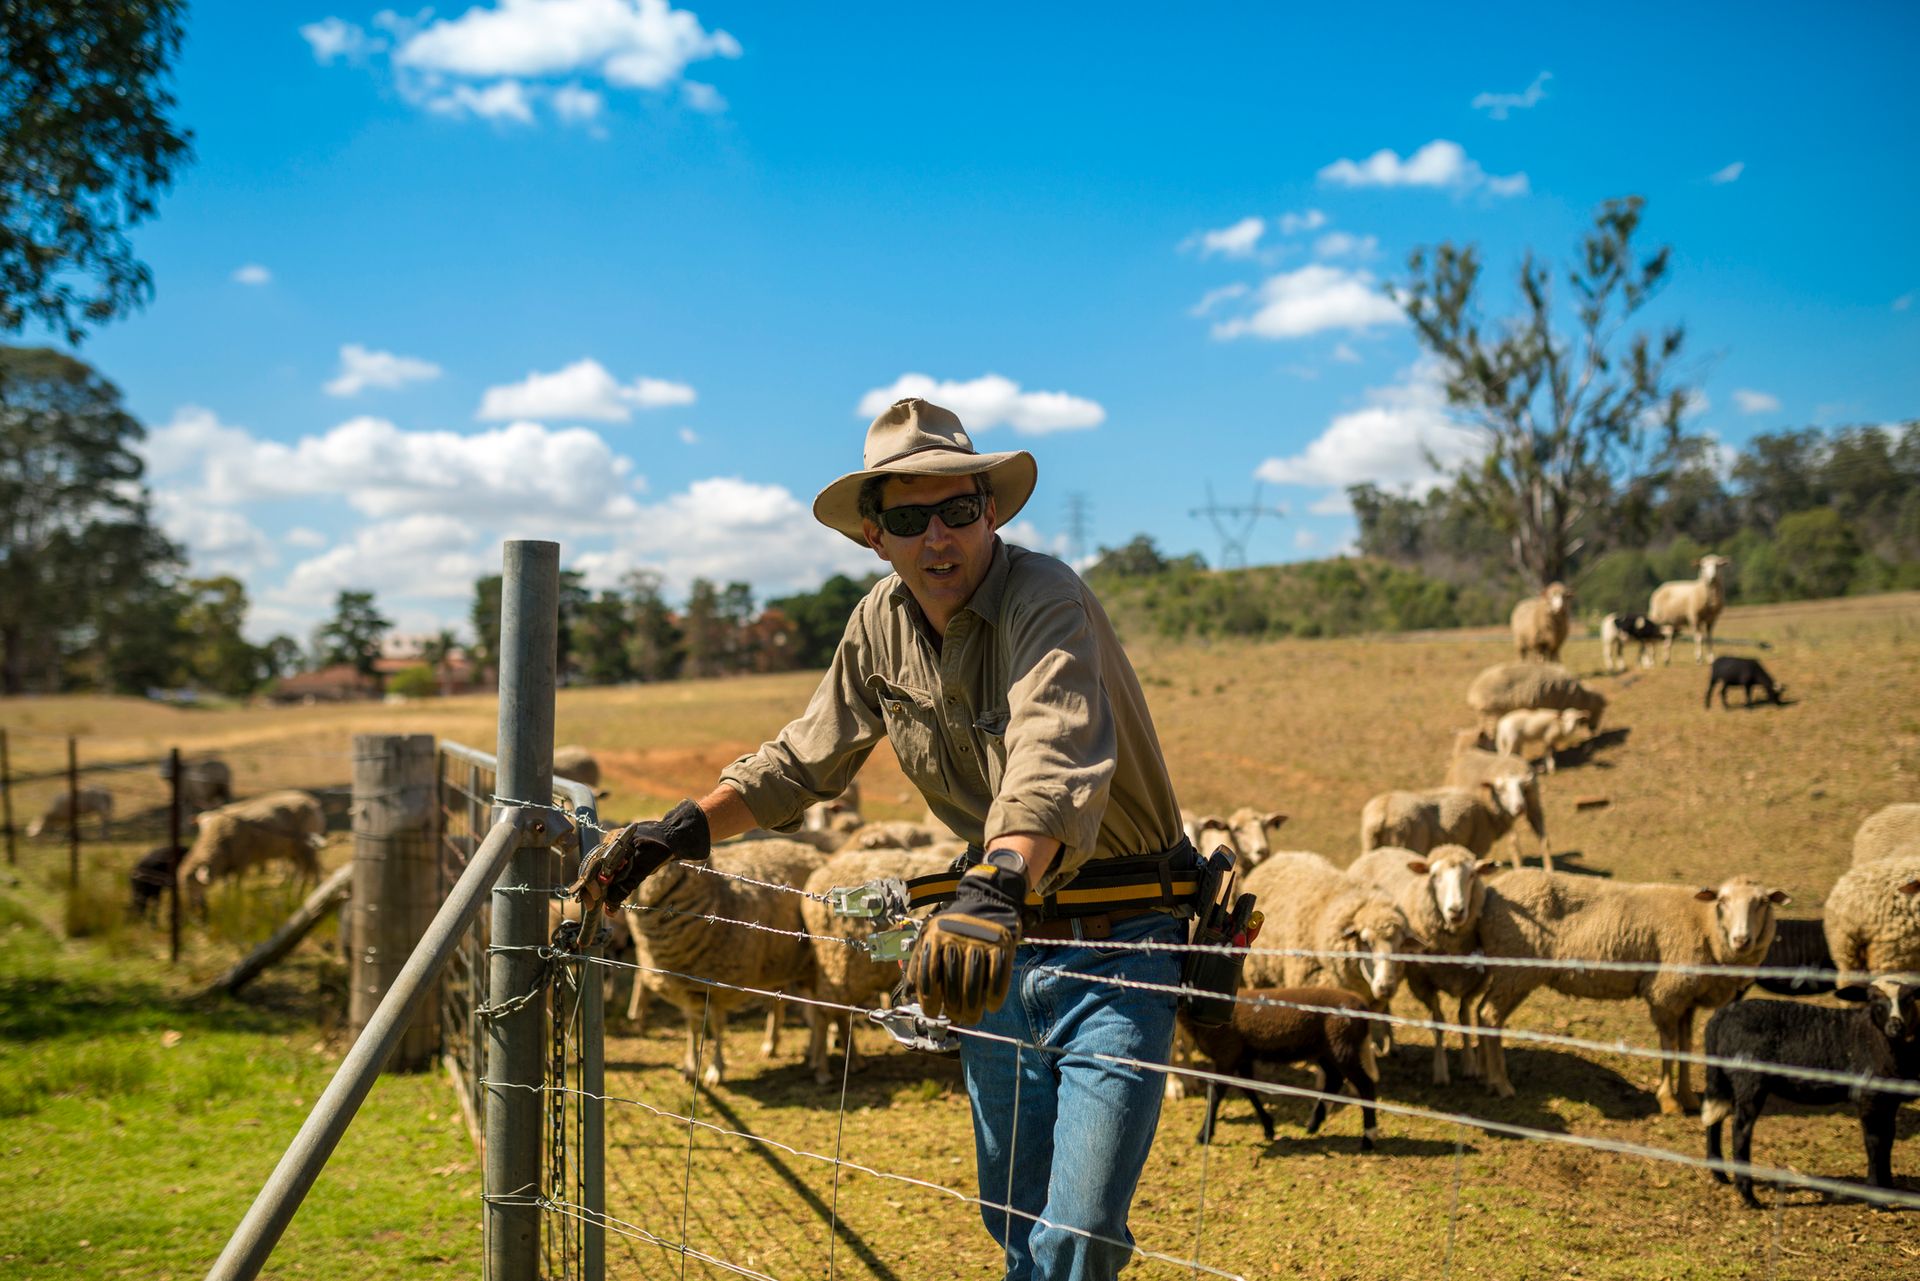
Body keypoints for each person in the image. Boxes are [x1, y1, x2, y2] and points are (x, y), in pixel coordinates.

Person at [597, 397, 1193, 1281]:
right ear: (875, 536)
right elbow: (802, 758)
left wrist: (995, 880)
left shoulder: (1046, 597)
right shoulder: (878, 624)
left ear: (991, 512)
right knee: (1013, 1215)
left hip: (1116, 944)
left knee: (1081, 1231)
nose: (938, 537)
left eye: (958, 509)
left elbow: (1052, 751)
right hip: (993, 949)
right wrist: (677, 832)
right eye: (911, 520)